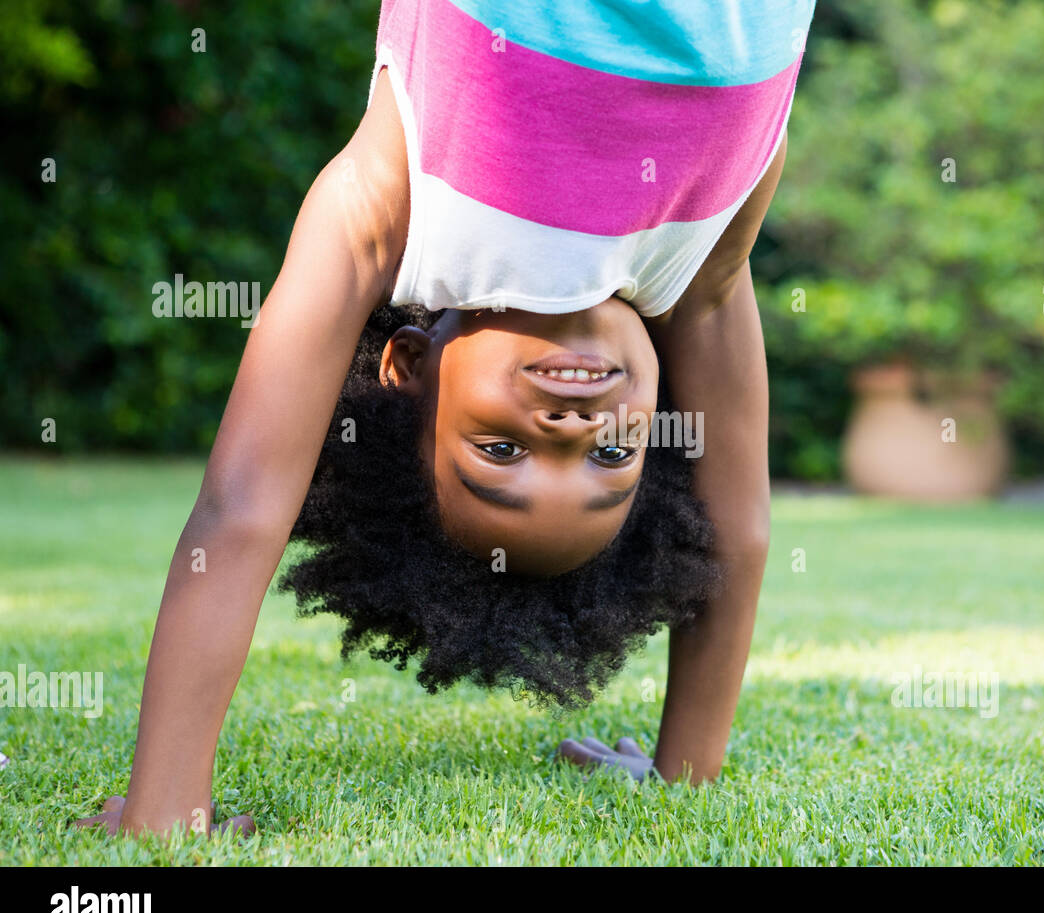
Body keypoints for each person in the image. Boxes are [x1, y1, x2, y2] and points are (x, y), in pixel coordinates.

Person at [76, 0, 816, 837]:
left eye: (501, 449)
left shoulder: (390, 217)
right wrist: (687, 769)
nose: (572, 430)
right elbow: (736, 526)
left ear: (411, 370)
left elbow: (239, 511)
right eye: (614, 455)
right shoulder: (697, 265)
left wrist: (165, 807)